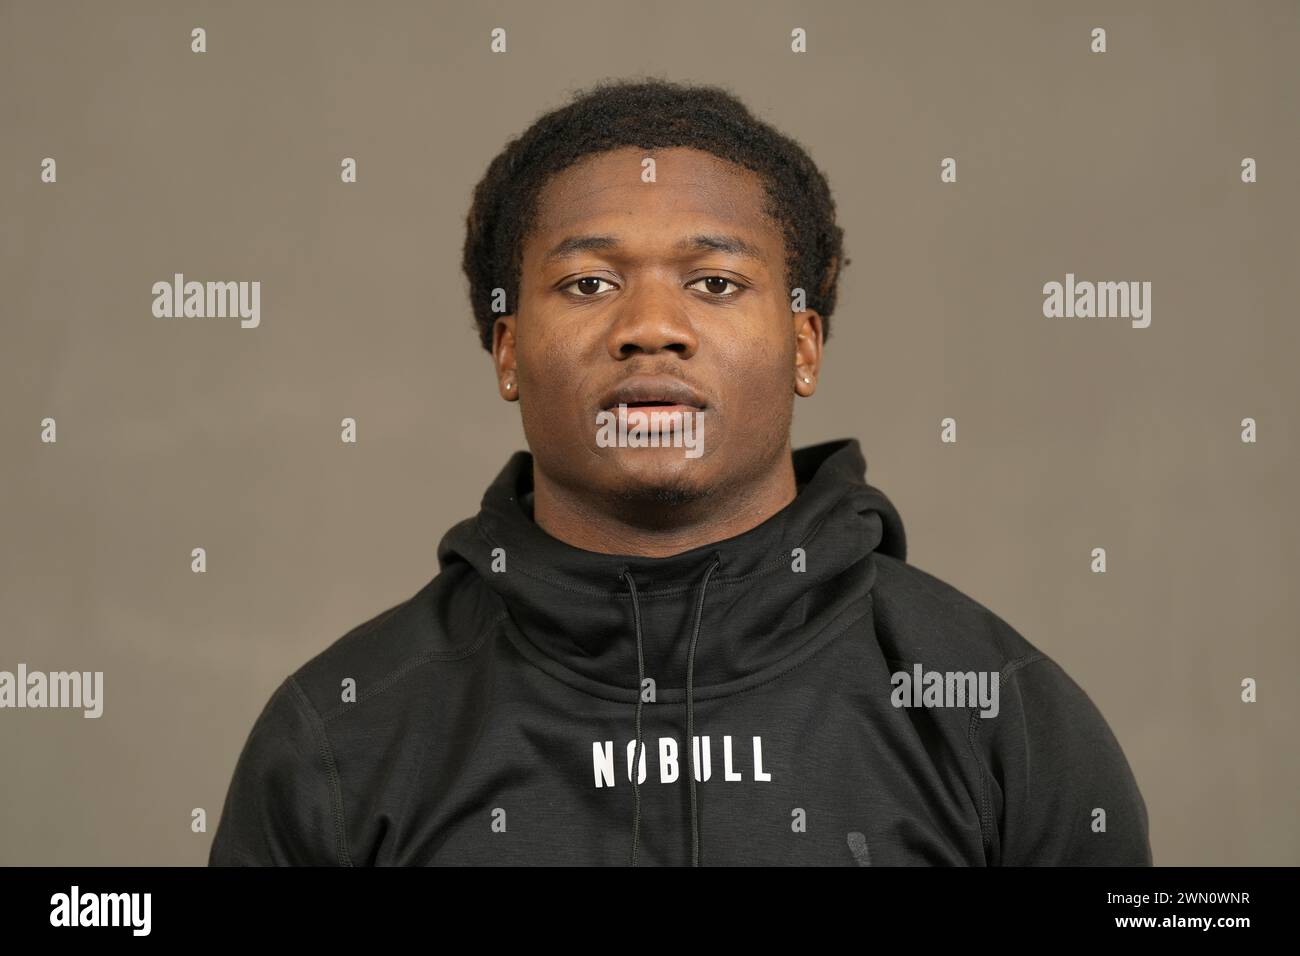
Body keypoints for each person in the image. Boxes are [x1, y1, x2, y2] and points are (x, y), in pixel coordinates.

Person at [209, 78, 1152, 866]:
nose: (650, 326)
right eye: (588, 283)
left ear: (803, 344)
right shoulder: (341, 736)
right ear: (506, 350)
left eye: (714, 283)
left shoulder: (998, 710)